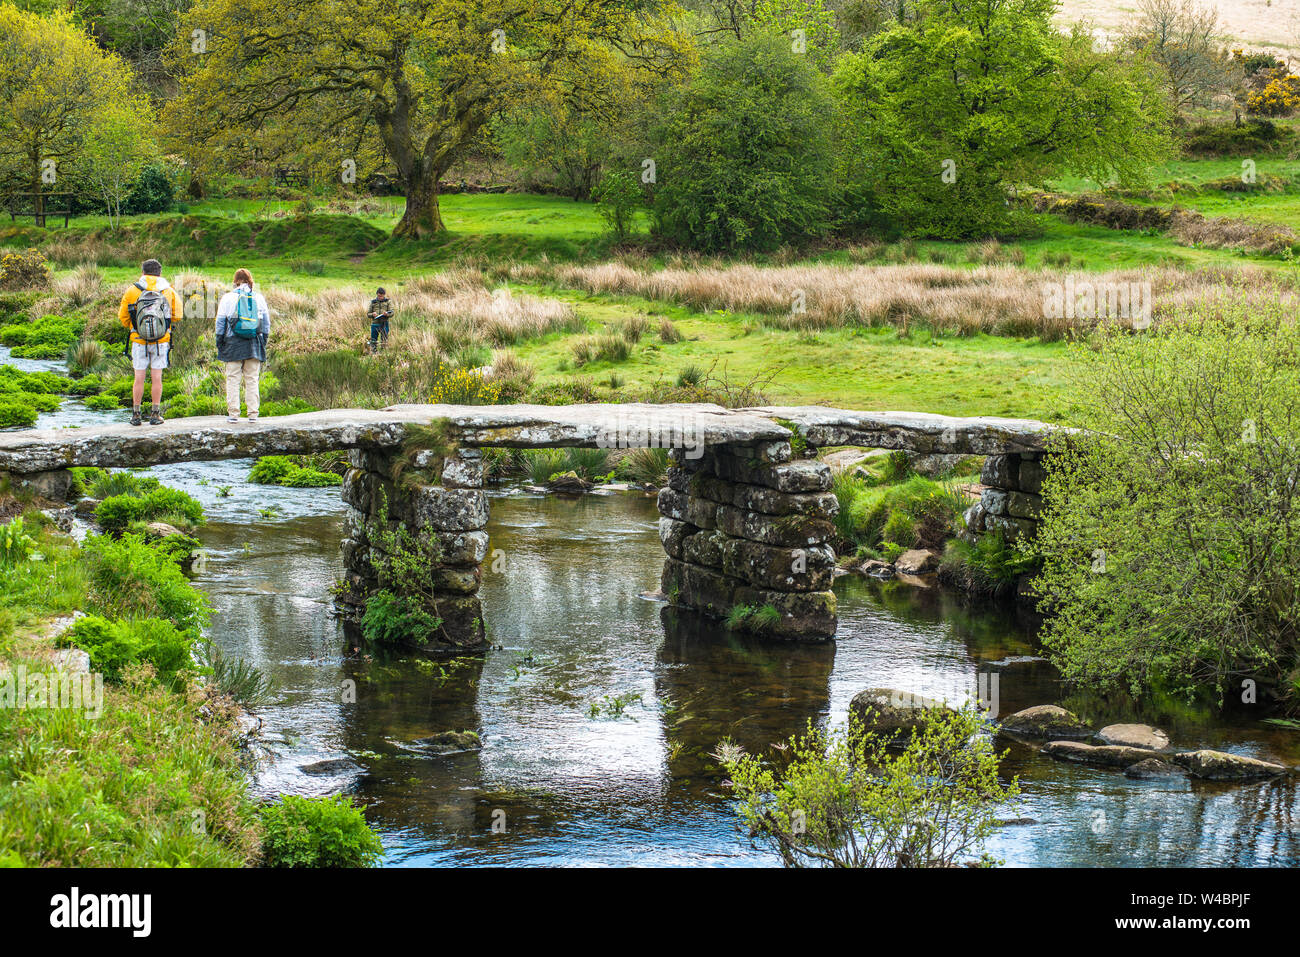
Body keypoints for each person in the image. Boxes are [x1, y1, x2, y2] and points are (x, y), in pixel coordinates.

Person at [118, 258, 182, 426]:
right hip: (161, 341)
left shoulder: (132, 290)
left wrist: (135, 326)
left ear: (143, 273)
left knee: (139, 378)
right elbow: (178, 316)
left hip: (139, 340)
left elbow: (123, 318)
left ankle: (136, 415)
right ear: (160, 273)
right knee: (157, 377)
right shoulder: (169, 291)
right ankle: (155, 414)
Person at [214, 268, 271, 422]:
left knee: (233, 379)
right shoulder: (258, 298)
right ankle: (253, 414)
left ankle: (233, 415)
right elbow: (266, 325)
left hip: (232, 344)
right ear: (250, 280)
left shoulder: (227, 298)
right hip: (254, 342)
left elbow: (220, 324)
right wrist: (262, 342)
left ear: (235, 281)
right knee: (252, 379)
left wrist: (220, 343)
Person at [367, 287, 392, 353]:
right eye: (379, 296)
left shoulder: (388, 302)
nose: (380, 297)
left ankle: (383, 354)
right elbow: (368, 314)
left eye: (381, 296)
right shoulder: (373, 302)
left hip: (384, 323)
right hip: (375, 324)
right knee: (373, 340)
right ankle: (373, 353)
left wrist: (387, 314)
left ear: (384, 295)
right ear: (377, 294)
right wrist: (372, 314)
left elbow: (392, 312)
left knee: (384, 340)